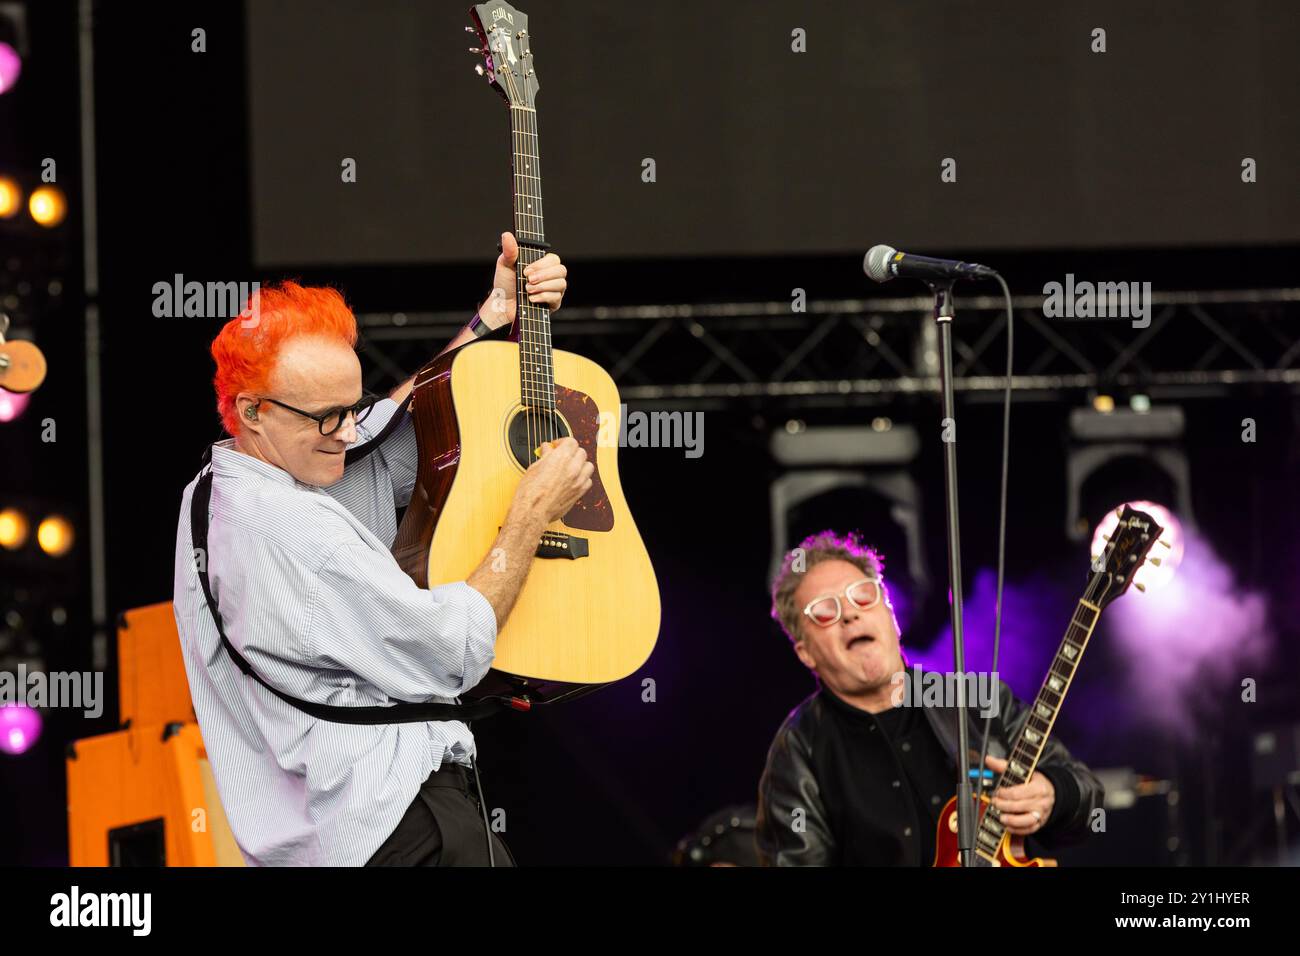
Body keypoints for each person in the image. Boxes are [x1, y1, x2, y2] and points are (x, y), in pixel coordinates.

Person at [173, 232, 590, 866]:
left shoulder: (219, 489)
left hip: (344, 838)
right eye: (325, 418)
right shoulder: (298, 533)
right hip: (399, 825)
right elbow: (455, 646)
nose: (344, 434)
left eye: (349, 408)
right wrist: (530, 515)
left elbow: (388, 426)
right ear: (253, 410)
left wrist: (496, 315)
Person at [755, 530, 1104, 866]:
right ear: (805, 653)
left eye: (863, 595)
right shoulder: (800, 747)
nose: (849, 613)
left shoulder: (973, 697)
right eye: (824, 612)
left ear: (890, 616)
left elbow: (1089, 802)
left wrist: (1054, 794)